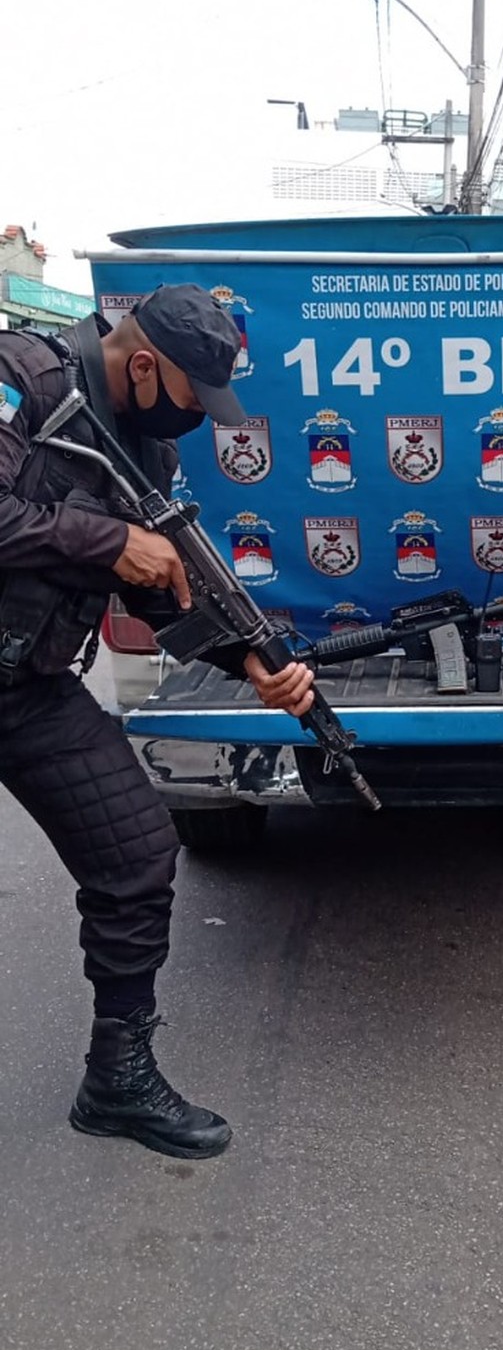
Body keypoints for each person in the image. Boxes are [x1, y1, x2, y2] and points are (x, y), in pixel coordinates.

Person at [0, 285, 312, 1160]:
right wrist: (106, 542)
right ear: (143, 363)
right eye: (188, 396)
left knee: (137, 853)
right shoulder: (20, 376)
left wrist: (247, 659)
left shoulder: (143, 456)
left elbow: (158, 592)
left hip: (28, 687)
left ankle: (118, 1080)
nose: (194, 419)